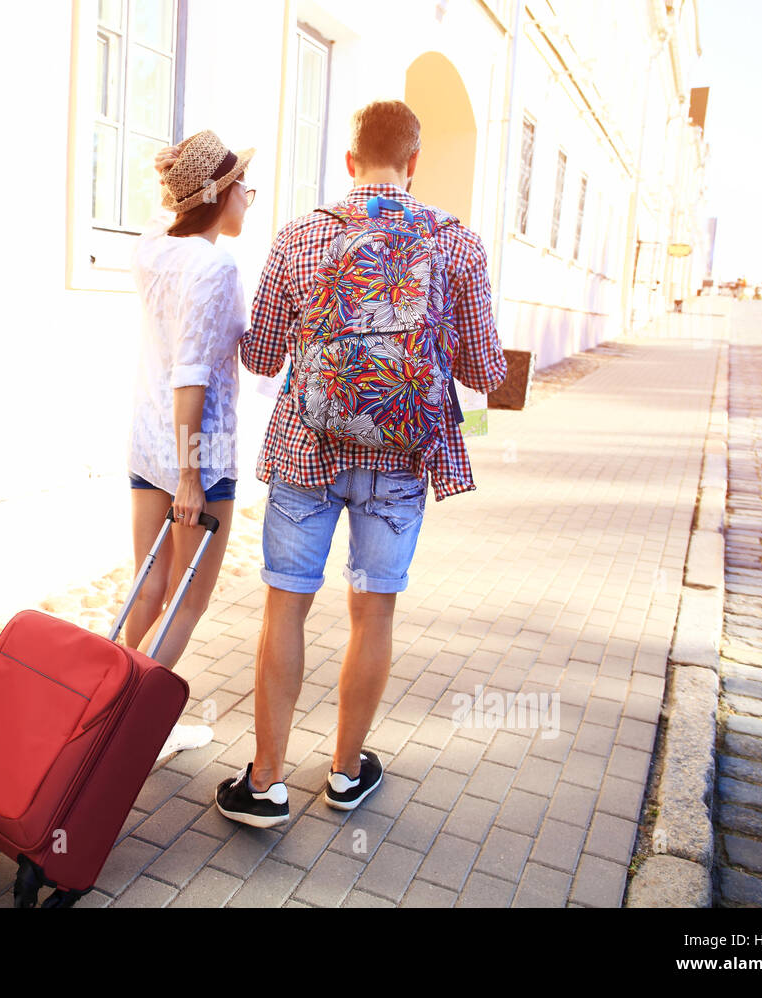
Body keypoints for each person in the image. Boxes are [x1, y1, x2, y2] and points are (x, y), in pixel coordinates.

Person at [164, 100, 508, 827]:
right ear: (414, 164)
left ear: (349, 162)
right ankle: (347, 775)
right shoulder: (459, 246)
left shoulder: (301, 236)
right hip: (402, 461)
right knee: (371, 609)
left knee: (286, 604)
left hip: (305, 449)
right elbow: (485, 373)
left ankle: (265, 784)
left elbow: (259, 356)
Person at [128, 129, 257, 758]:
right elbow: (192, 373)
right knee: (188, 599)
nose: (249, 202)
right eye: (244, 190)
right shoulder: (214, 264)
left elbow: (164, 213)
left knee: (150, 587)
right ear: (221, 194)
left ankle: (118, 710)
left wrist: (170, 180)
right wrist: (190, 476)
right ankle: (127, 729)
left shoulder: (154, 246)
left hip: (147, 440)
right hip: (196, 455)